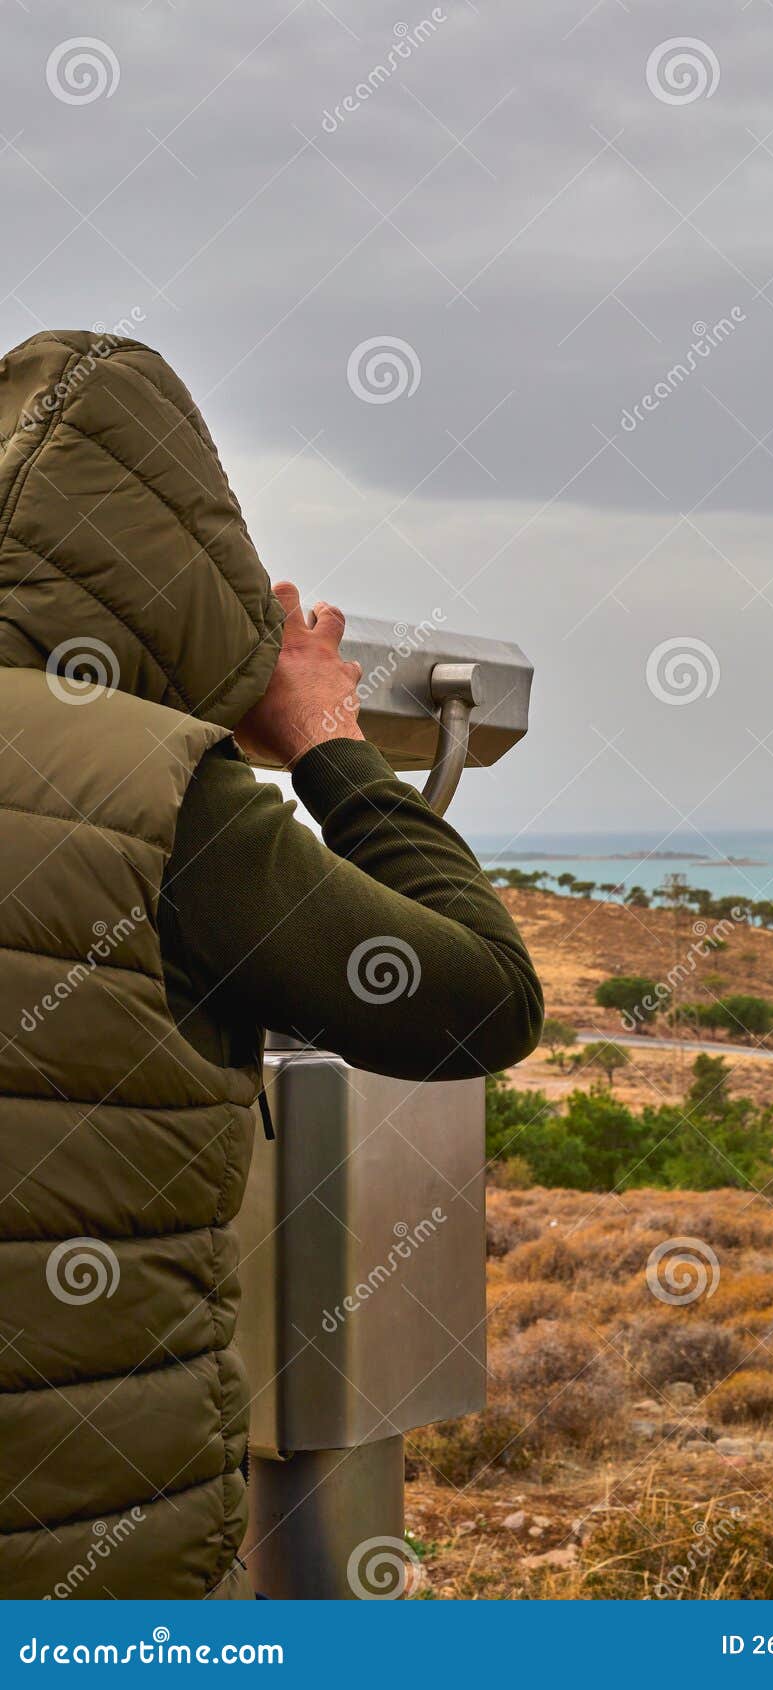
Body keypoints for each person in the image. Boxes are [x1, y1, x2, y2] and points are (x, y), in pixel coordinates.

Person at [0, 330, 542, 1599]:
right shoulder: (153, 793)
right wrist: (328, 748)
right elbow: (477, 999)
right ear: (181, 567)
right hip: (89, 1543)